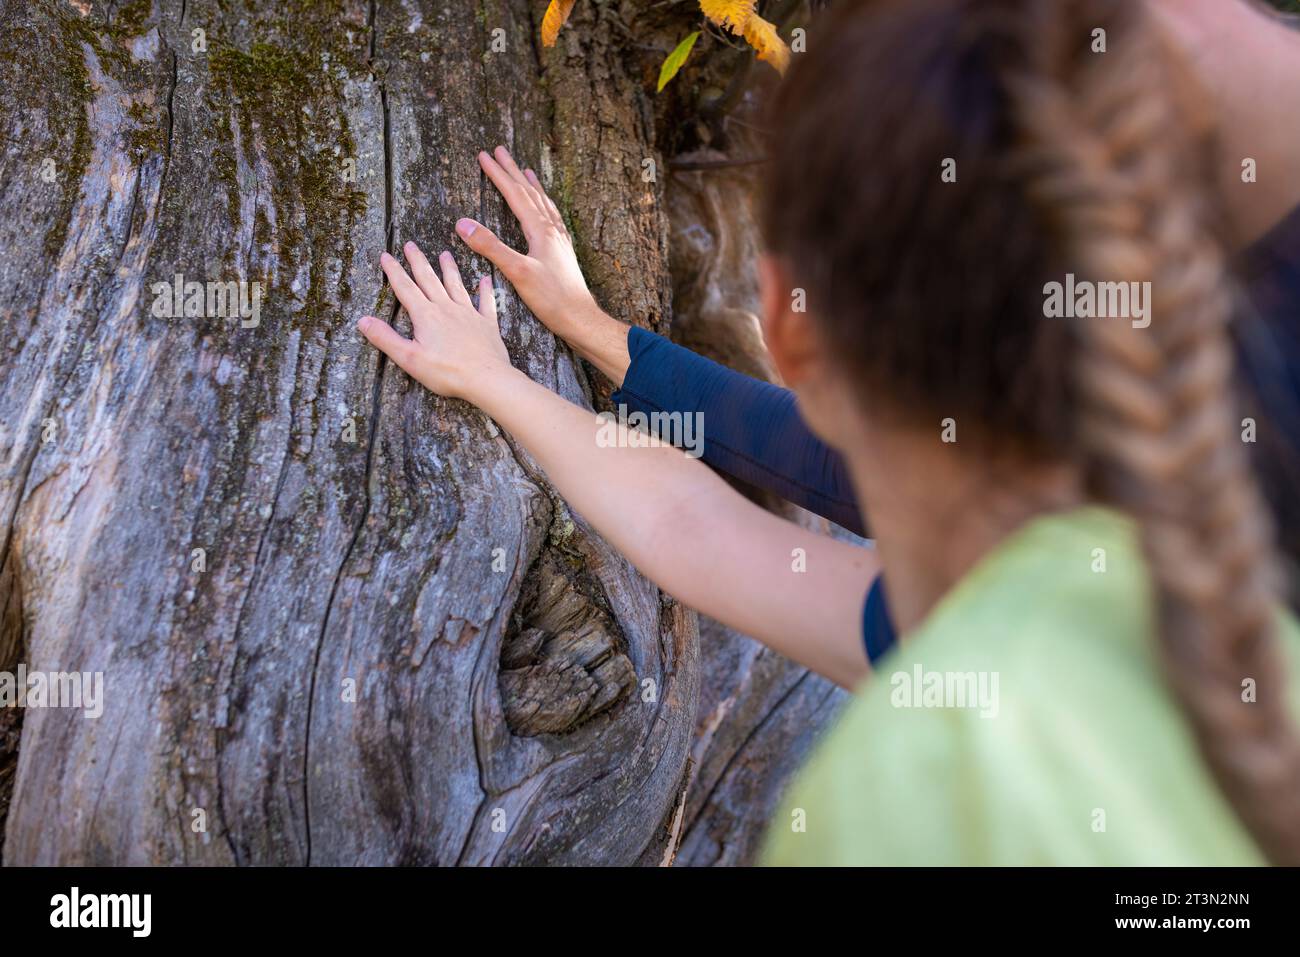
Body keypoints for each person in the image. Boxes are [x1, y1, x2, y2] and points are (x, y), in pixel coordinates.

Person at [359, 0, 1300, 864]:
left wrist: (493, 376)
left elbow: (718, 524)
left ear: (786, 323)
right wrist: (580, 338)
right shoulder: (1213, 591)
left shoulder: (915, 783)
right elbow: (737, 508)